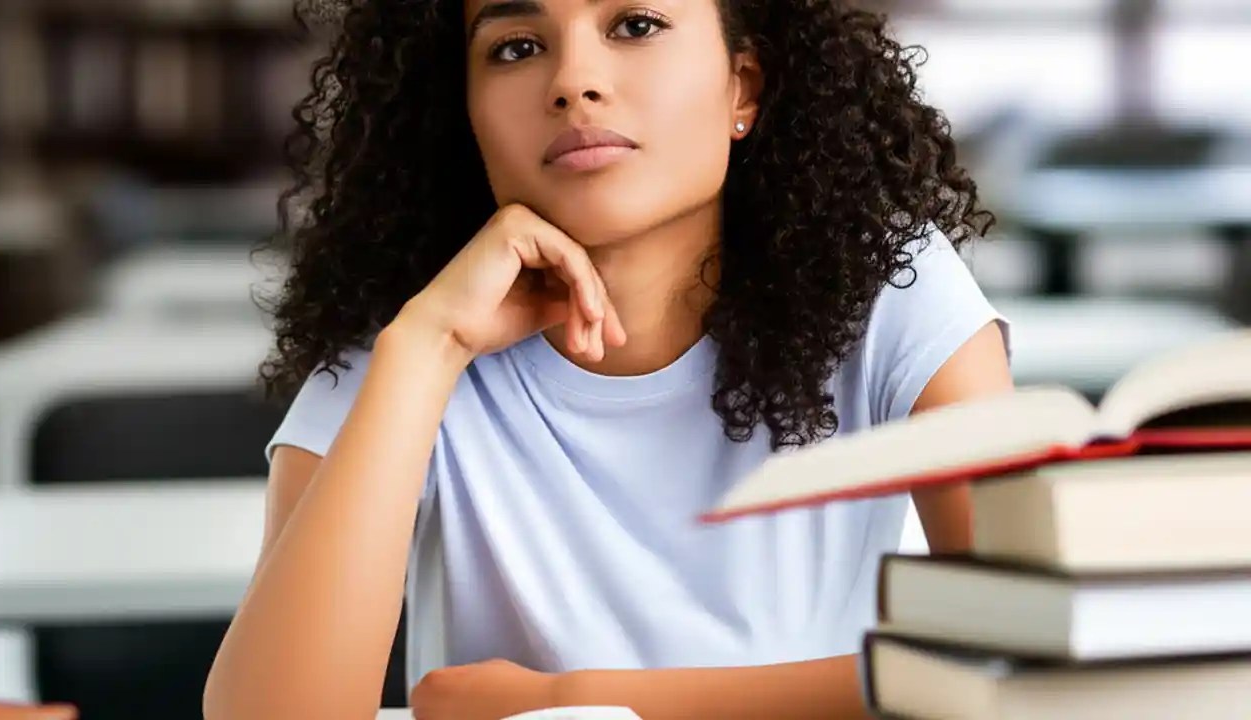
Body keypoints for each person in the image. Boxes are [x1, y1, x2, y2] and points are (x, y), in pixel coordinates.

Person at [203, 0, 1012, 717]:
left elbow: (1031, 653)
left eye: (636, 25)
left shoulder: (885, 283)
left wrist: (578, 699)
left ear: (743, 87)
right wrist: (428, 350)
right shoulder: (412, 329)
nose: (573, 81)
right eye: (516, 46)